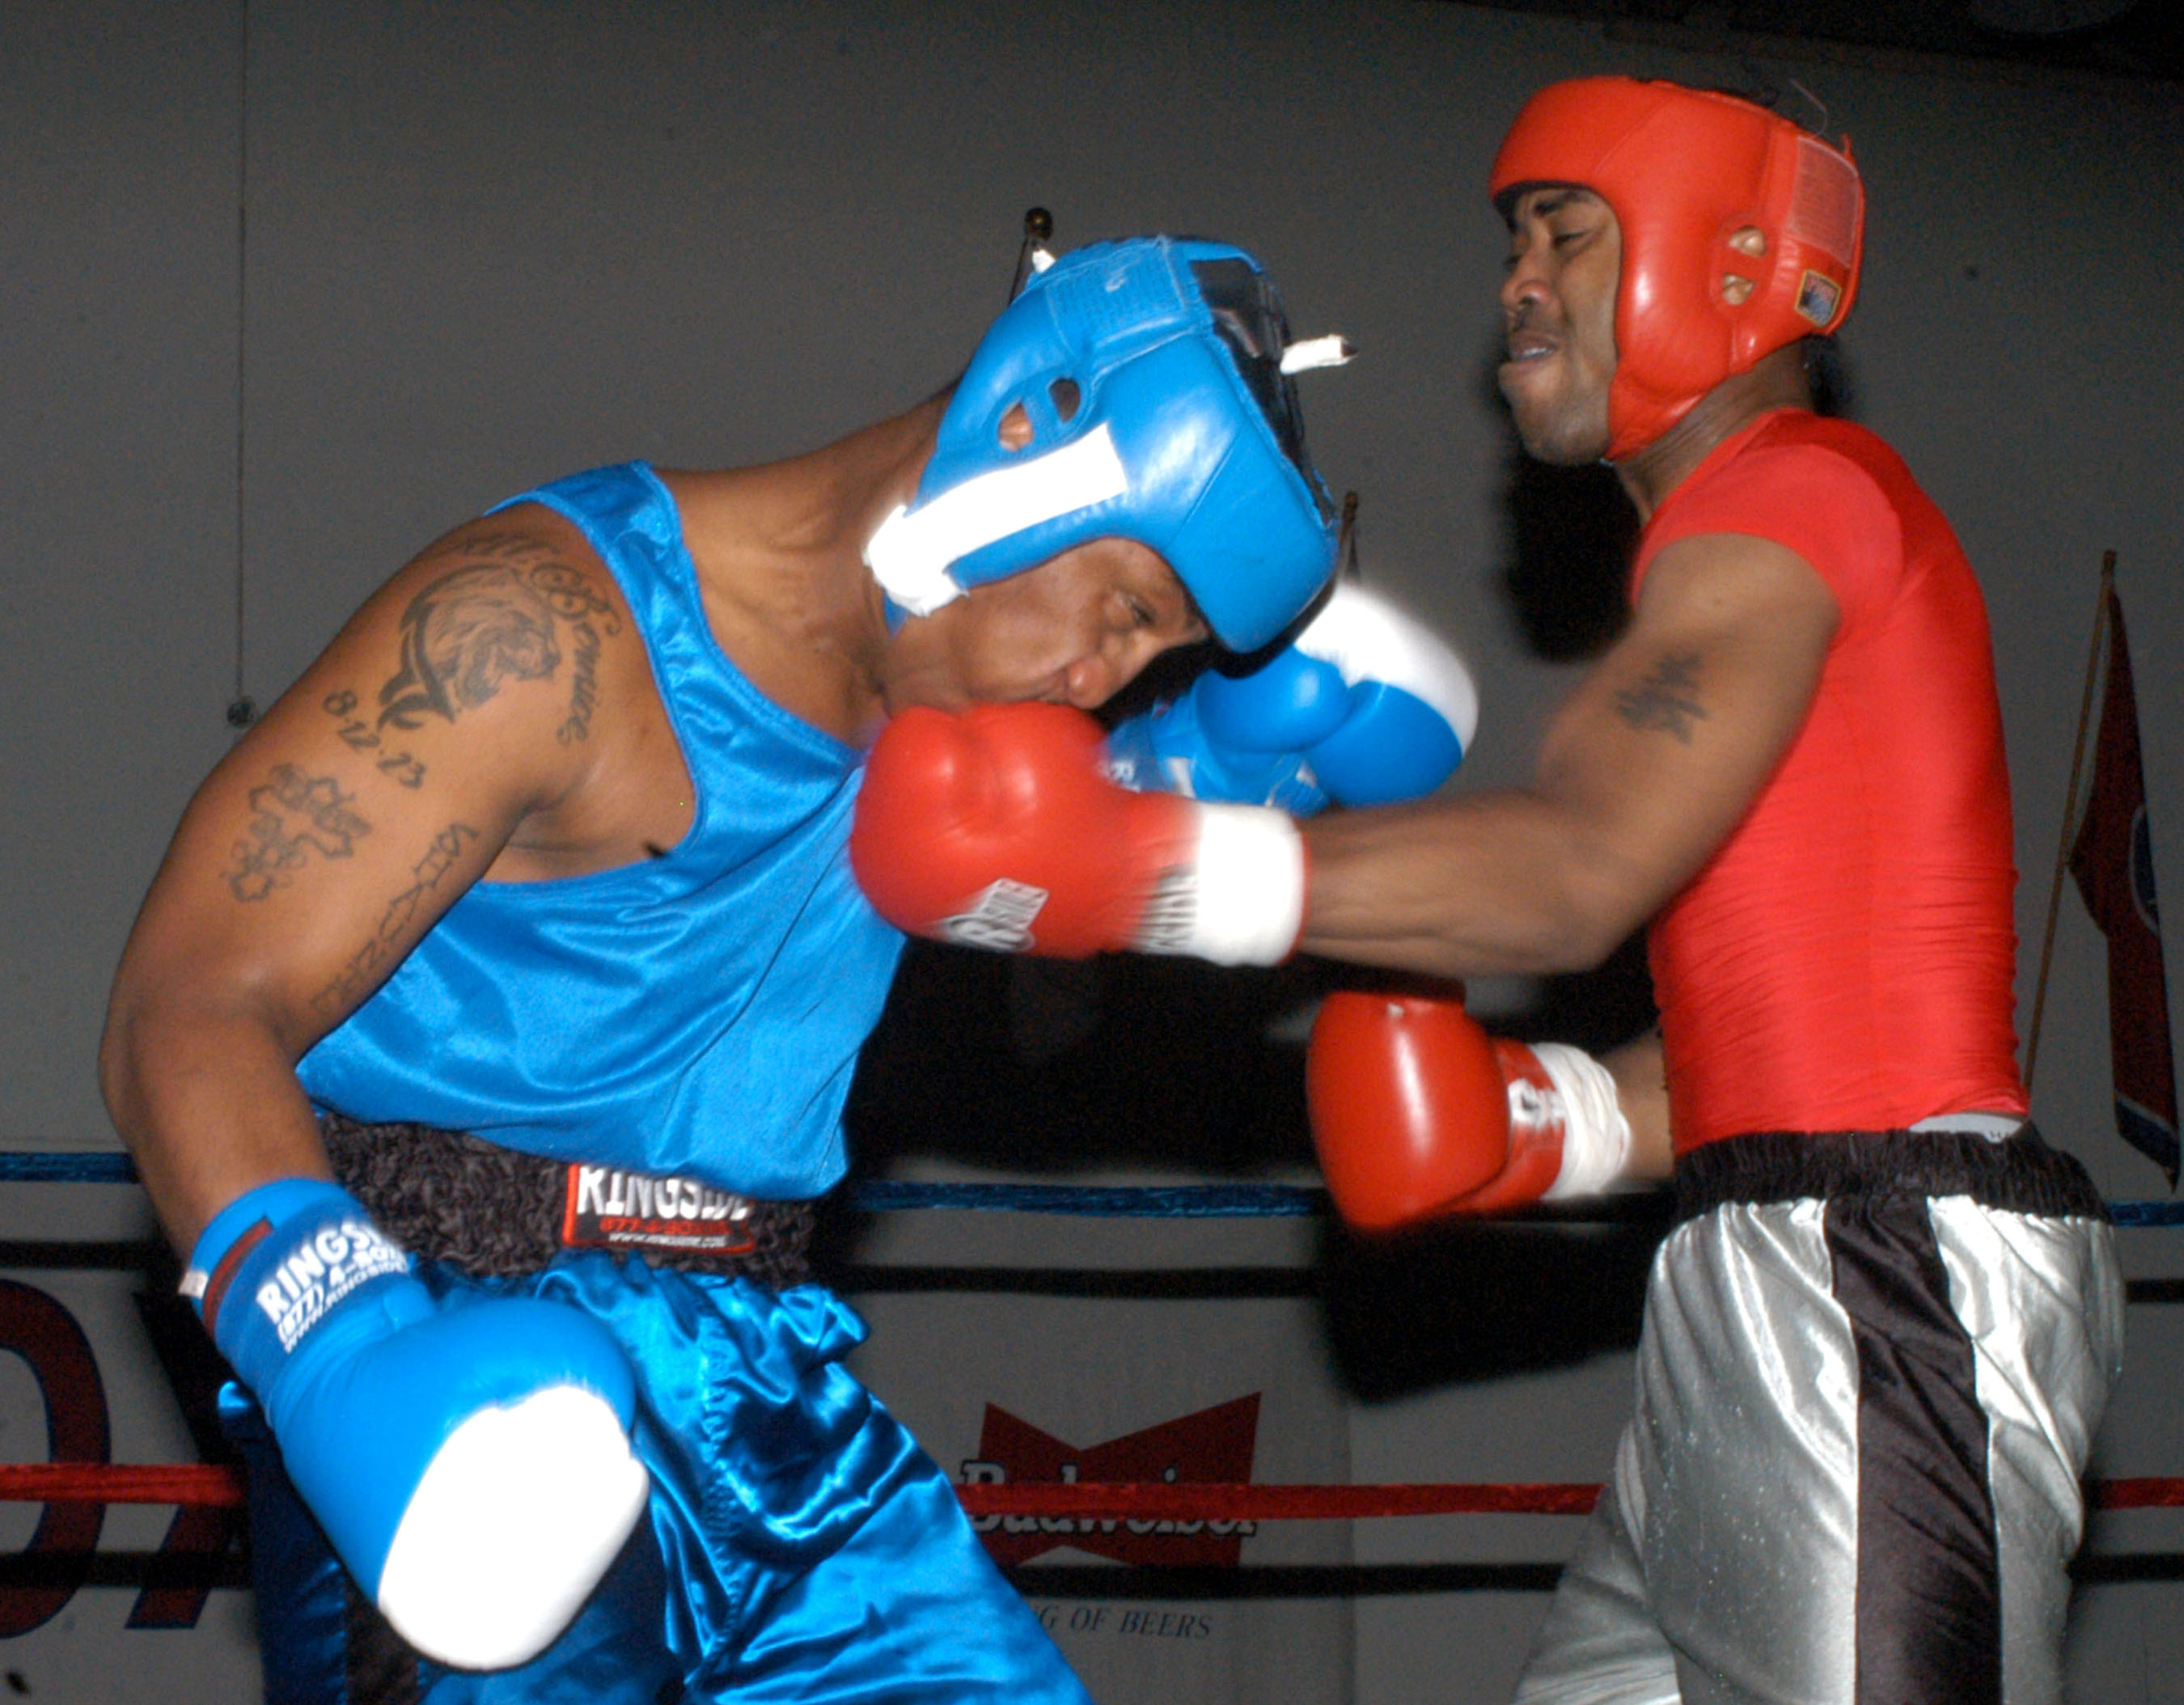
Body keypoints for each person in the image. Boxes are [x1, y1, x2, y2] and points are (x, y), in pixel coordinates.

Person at [849, 78, 2125, 1705]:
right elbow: (1815, 1020)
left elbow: (1578, 873)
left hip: (1884, 1289)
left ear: (1730, 267)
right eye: (1517, 238)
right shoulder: (1745, 547)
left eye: (1571, 234)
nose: (1519, 281)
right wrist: (1566, 1116)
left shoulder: (1791, 507)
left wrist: (1148, 867)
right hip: (1768, 1268)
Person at [99, 232, 1479, 1703]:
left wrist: (1214, 772)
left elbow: (1018, 879)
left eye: (1151, 656)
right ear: (1024, 436)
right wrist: (346, 1355)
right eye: (1127, 612)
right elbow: (185, 1002)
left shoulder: (949, 731)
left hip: (765, 1385)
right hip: (473, 1344)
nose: (1098, 682)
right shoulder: (546, 631)